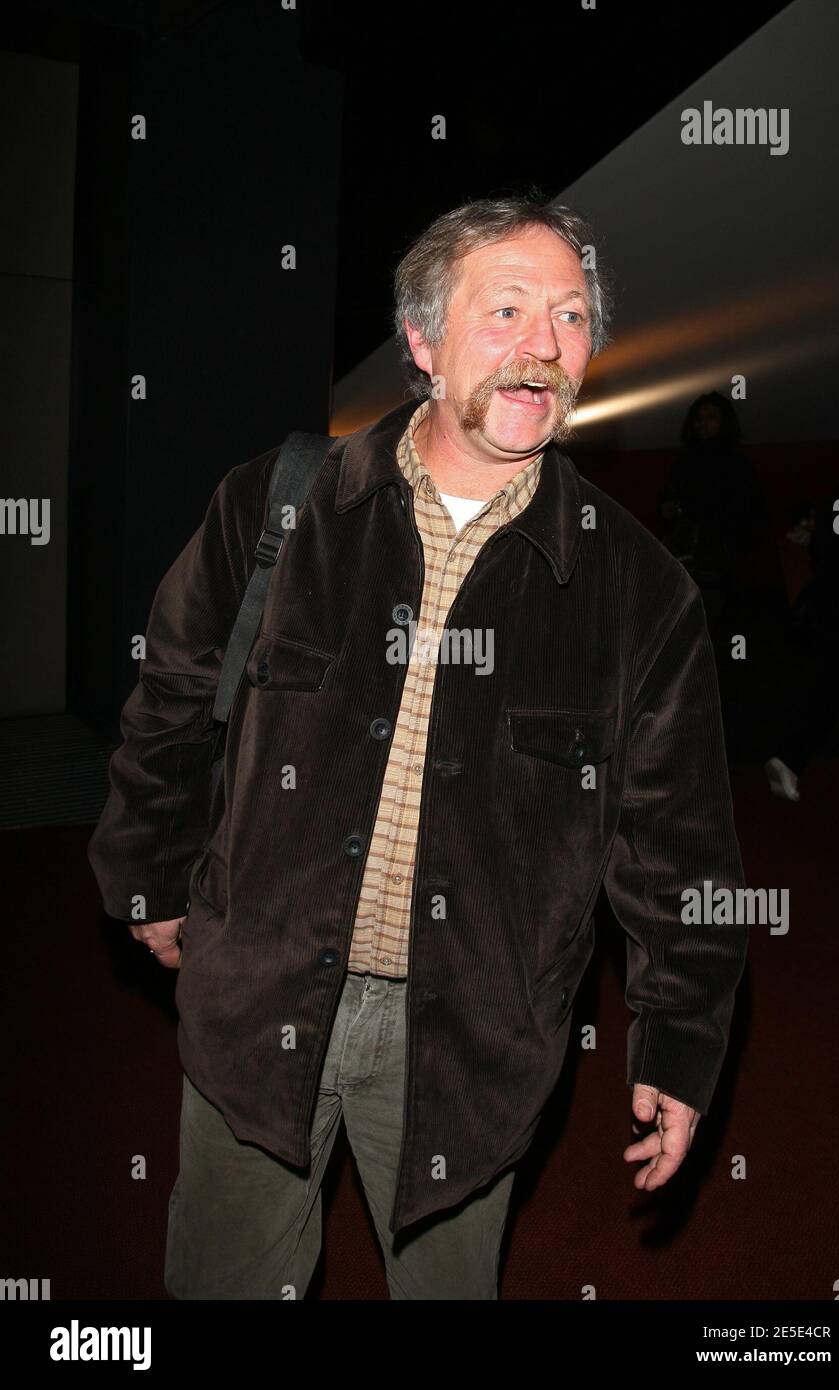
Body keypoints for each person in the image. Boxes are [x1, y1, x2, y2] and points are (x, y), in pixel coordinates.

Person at [87, 195, 750, 1301]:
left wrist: (680, 1046)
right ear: (422, 344)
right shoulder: (278, 507)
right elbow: (171, 694)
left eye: (571, 316)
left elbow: (677, 846)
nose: (543, 344)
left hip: (473, 1042)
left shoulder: (638, 591)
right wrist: (149, 873)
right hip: (259, 996)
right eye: (505, 310)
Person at [764, 438, 839, 801]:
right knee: (835, 684)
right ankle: (788, 760)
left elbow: (829, 545)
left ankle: (788, 760)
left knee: (833, 685)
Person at [657, 392, 766, 639]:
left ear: (724, 422)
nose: (703, 423)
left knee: (709, 626)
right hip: (684, 557)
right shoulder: (684, 462)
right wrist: (669, 509)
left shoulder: (737, 465)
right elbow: (667, 505)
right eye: (699, 418)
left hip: (718, 560)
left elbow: (747, 514)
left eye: (712, 417)